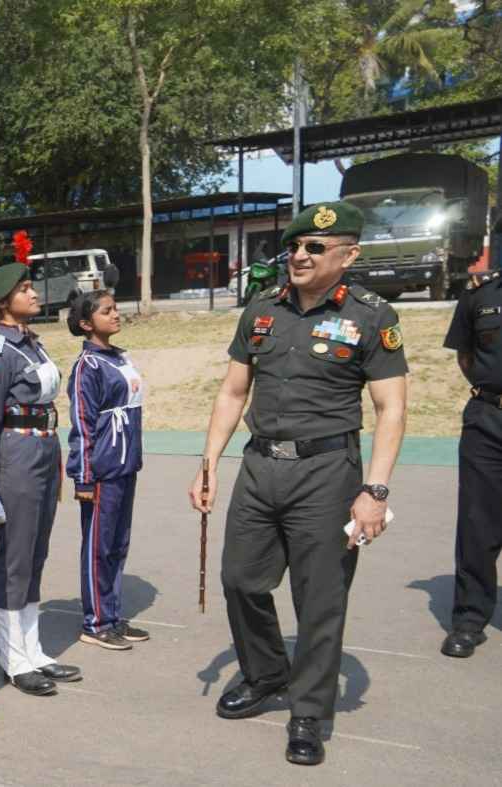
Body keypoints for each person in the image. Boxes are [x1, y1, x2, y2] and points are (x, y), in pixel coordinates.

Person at [189, 202, 407, 766]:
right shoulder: (261, 309)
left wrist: (375, 491)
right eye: (295, 246)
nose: (300, 256)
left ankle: (308, 711)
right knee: (240, 578)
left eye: (315, 248)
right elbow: (233, 391)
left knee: (320, 600)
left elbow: (391, 410)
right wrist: (210, 460)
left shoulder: (372, 316)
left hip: (328, 474)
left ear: (349, 255)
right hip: (261, 467)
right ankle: (265, 674)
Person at [0, 261, 80, 693]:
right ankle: (13, 657)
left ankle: (32, 649)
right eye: (24, 289)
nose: (34, 294)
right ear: (4, 302)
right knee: (15, 558)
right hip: (16, 454)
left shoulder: (31, 345)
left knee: (36, 554)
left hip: (42, 449)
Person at [66, 291, 147, 652]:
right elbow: (82, 424)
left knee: (118, 543)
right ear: (86, 323)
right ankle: (95, 621)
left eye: (116, 308)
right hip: (101, 469)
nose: (116, 315)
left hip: (125, 464)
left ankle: (112, 615)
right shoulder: (88, 366)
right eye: (107, 311)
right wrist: (83, 475)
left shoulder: (119, 357)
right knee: (98, 547)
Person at [441, 266, 502, 658]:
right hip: (489, 420)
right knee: (478, 526)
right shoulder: (481, 294)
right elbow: (467, 356)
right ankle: (469, 619)